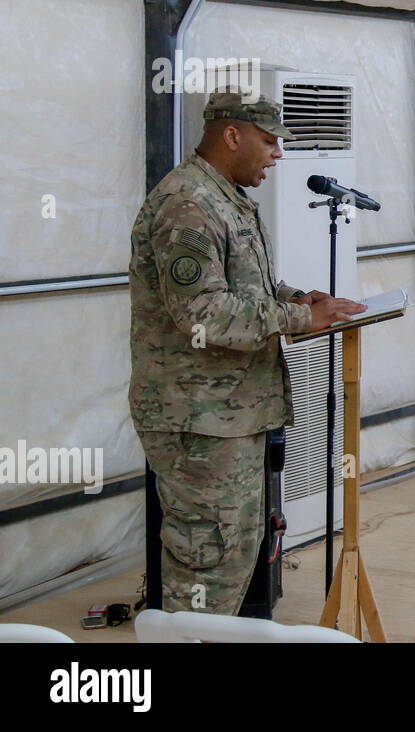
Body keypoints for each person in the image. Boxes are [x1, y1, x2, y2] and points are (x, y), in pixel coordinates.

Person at [129, 88, 365, 615]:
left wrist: (296, 298)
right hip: (200, 418)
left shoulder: (222, 196)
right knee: (207, 562)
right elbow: (202, 312)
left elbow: (244, 286)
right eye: (269, 141)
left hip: (230, 415)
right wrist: (300, 319)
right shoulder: (188, 203)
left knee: (231, 554)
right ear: (232, 136)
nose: (277, 154)